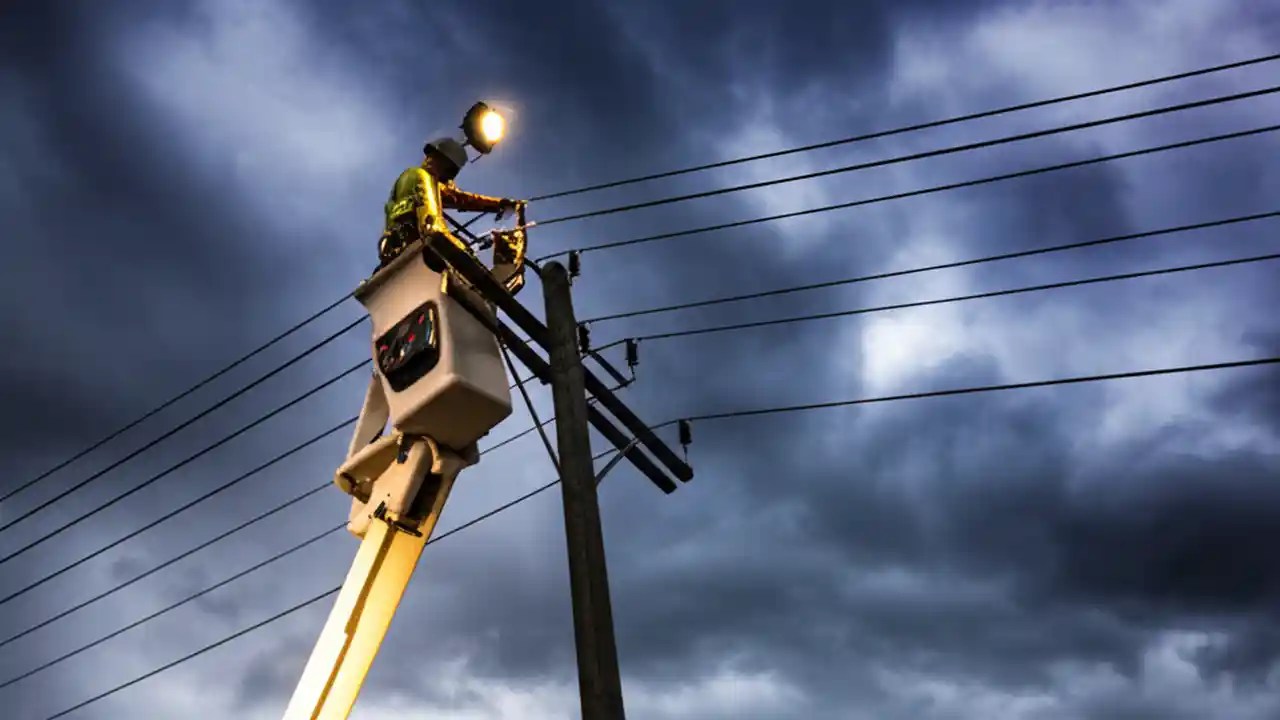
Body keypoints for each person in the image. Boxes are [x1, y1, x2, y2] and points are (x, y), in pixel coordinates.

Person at [377, 137, 523, 269]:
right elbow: (433, 228)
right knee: (464, 251)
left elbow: (459, 199)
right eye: (446, 170)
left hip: (406, 253)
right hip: (413, 253)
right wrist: (466, 252)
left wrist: (498, 204)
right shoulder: (419, 176)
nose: (446, 179)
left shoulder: (426, 180)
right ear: (441, 161)